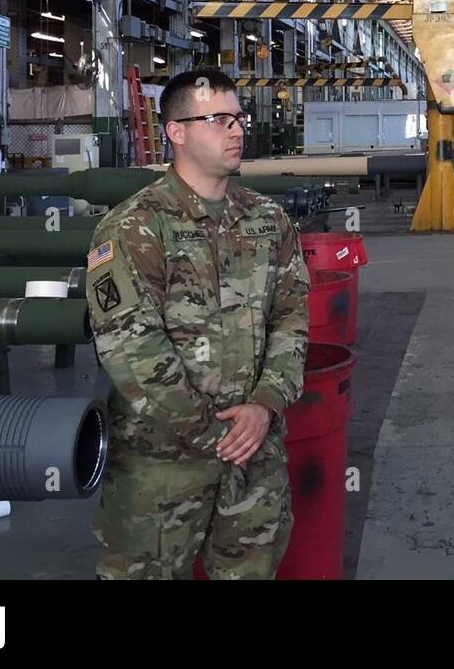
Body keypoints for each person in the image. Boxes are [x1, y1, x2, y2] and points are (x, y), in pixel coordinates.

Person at [86, 67, 310, 579]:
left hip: (253, 459)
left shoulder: (268, 220)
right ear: (176, 132)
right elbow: (130, 350)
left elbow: (292, 314)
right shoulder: (133, 228)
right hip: (162, 470)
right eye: (219, 119)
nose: (236, 130)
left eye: (238, 118)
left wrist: (265, 404)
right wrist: (213, 435)